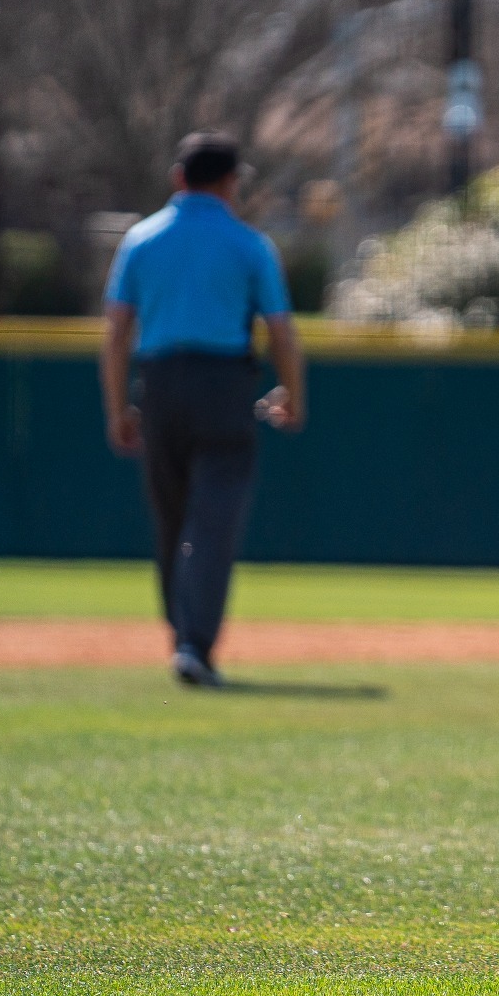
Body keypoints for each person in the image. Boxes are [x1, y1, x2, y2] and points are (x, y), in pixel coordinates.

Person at [99, 131, 305, 689]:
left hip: (161, 387)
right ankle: (194, 642)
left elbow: (116, 333)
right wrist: (292, 394)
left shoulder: (140, 240)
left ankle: (181, 631)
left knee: (171, 518)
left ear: (177, 178)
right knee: (213, 523)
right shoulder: (249, 244)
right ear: (231, 184)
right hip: (224, 389)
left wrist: (118, 407)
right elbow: (281, 332)